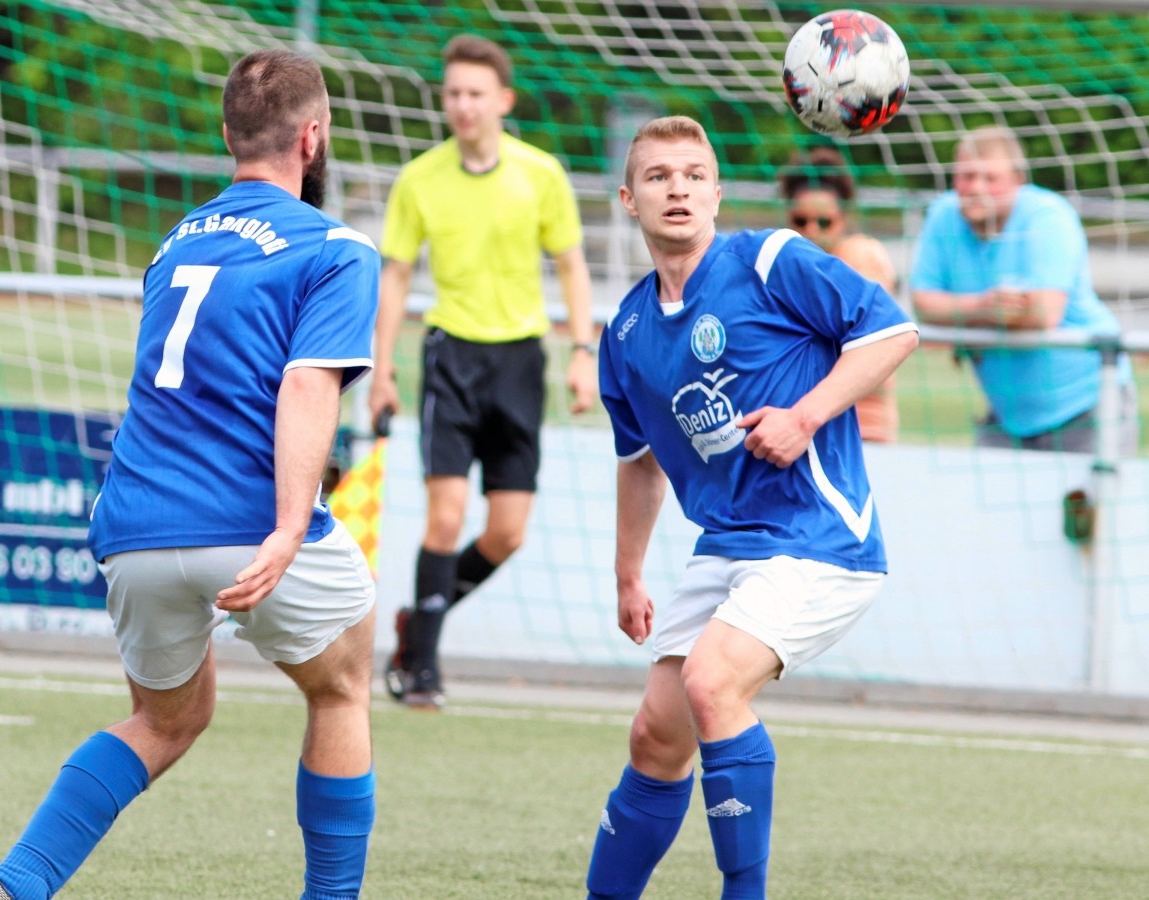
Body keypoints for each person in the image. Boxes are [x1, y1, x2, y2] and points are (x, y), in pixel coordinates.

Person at [0, 49, 380, 900]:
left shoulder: (176, 241)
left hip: (136, 524)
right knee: (341, 690)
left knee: (165, 719)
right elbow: (306, 386)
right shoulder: (336, 248)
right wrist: (289, 528)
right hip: (247, 523)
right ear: (313, 137)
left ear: (228, 134)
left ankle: (14, 885)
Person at [584, 116, 917, 898]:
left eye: (694, 175)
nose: (679, 189)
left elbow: (892, 332)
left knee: (711, 684)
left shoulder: (769, 260)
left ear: (717, 193)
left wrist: (804, 417)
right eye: (659, 177)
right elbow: (640, 461)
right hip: (727, 547)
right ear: (629, 200)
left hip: (819, 539)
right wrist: (629, 574)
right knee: (655, 736)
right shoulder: (626, 332)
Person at [369, 34, 597, 709]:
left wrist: (583, 352)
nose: (464, 105)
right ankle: (422, 669)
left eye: (476, 93)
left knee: (507, 532)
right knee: (444, 517)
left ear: (503, 100)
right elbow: (396, 275)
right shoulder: (419, 179)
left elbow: (572, 265)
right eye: (453, 93)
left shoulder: (541, 174)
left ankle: (416, 624)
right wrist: (382, 370)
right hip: (451, 359)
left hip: (521, 362)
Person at [910, 125, 1137, 454]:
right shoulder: (942, 215)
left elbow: (1043, 313)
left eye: (990, 178)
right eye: (966, 177)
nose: (976, 188)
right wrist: (986, 308)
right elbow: (923, 305)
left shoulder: (1048, 216)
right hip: (1008, 416)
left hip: (1086, 404)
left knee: (1095, 491)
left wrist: (963, 317)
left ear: (1018, 180)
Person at [780, 147, 901, 443]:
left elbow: (871, 348)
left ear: (844, 219)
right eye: (801, 220)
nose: (811, 230)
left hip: (861, 432)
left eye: (824, 222)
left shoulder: (860, 256)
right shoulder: (782, 265)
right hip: (798, 430)